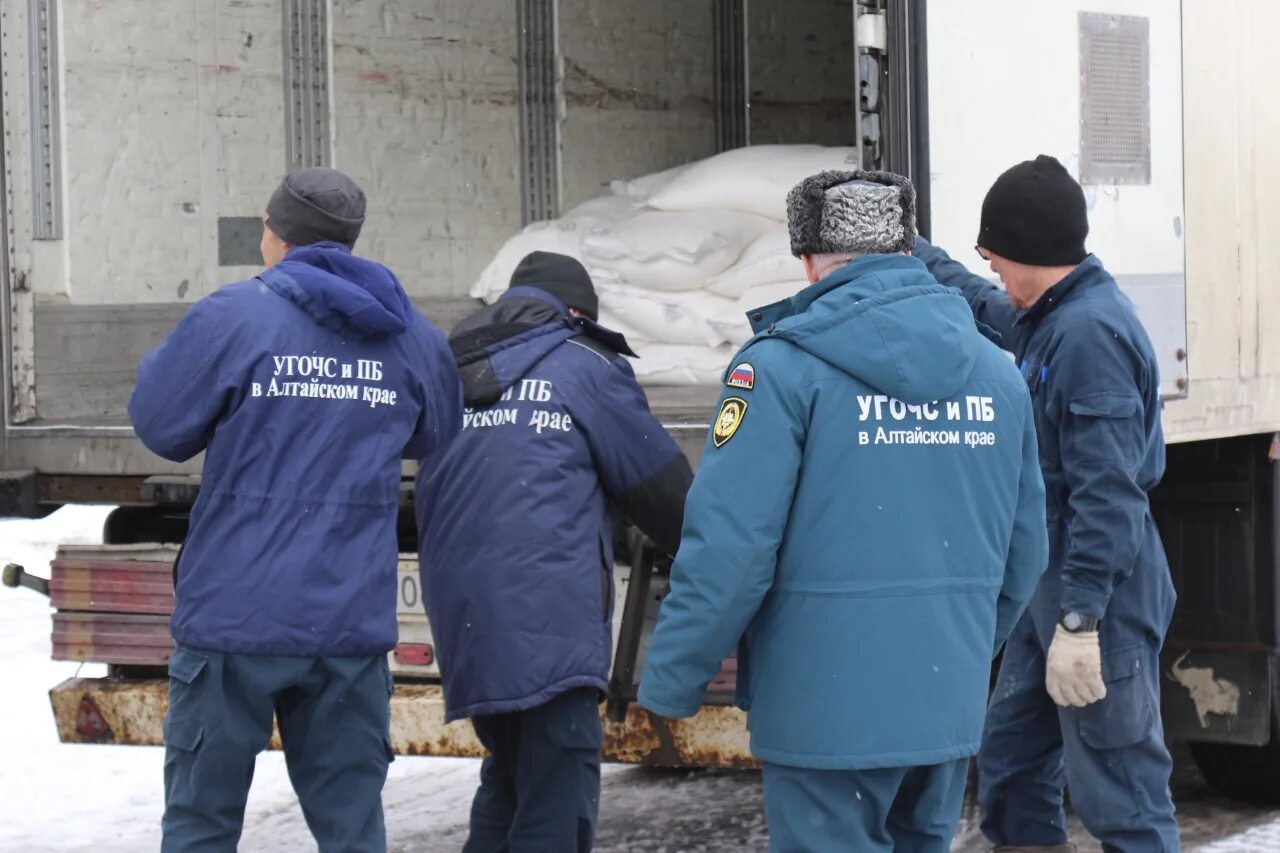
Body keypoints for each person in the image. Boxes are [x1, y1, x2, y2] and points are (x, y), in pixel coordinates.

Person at [636, 170, 1049, 852]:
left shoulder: (777, 372)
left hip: (821, 714)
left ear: (808, 261)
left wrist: (675, 675)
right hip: (942, 705)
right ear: (907, 250)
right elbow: (1024, 549)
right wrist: (960, 643)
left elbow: (731, 550)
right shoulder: (998, 375)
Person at [129, 167, 462, 853]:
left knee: (200, 825)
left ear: (274, 232)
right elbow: (436, 433)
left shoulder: (233, 317)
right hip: (345, 625)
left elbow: (160, 425)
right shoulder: (410, 335)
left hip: (234, 620)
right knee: (352, 830)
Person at [914, 154, 1179, 853]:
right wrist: (910, 247)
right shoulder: (1051, 315)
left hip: (1100, 589)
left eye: (995, 255)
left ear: (1029, 250)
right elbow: (981, 304)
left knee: (1120, 784)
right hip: (1050, 582)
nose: (993, 269)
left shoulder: (1088, 338)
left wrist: (1082, 620)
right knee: (1012, 764)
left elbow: (1108, 495)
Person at [414, 251, 693, 852]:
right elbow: (661, 491)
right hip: (549, 622)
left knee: (511, 779)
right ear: (576, 313)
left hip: (466, 622)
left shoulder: (449, 367)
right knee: (558, 799)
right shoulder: (585, 365)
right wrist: (716, 559)